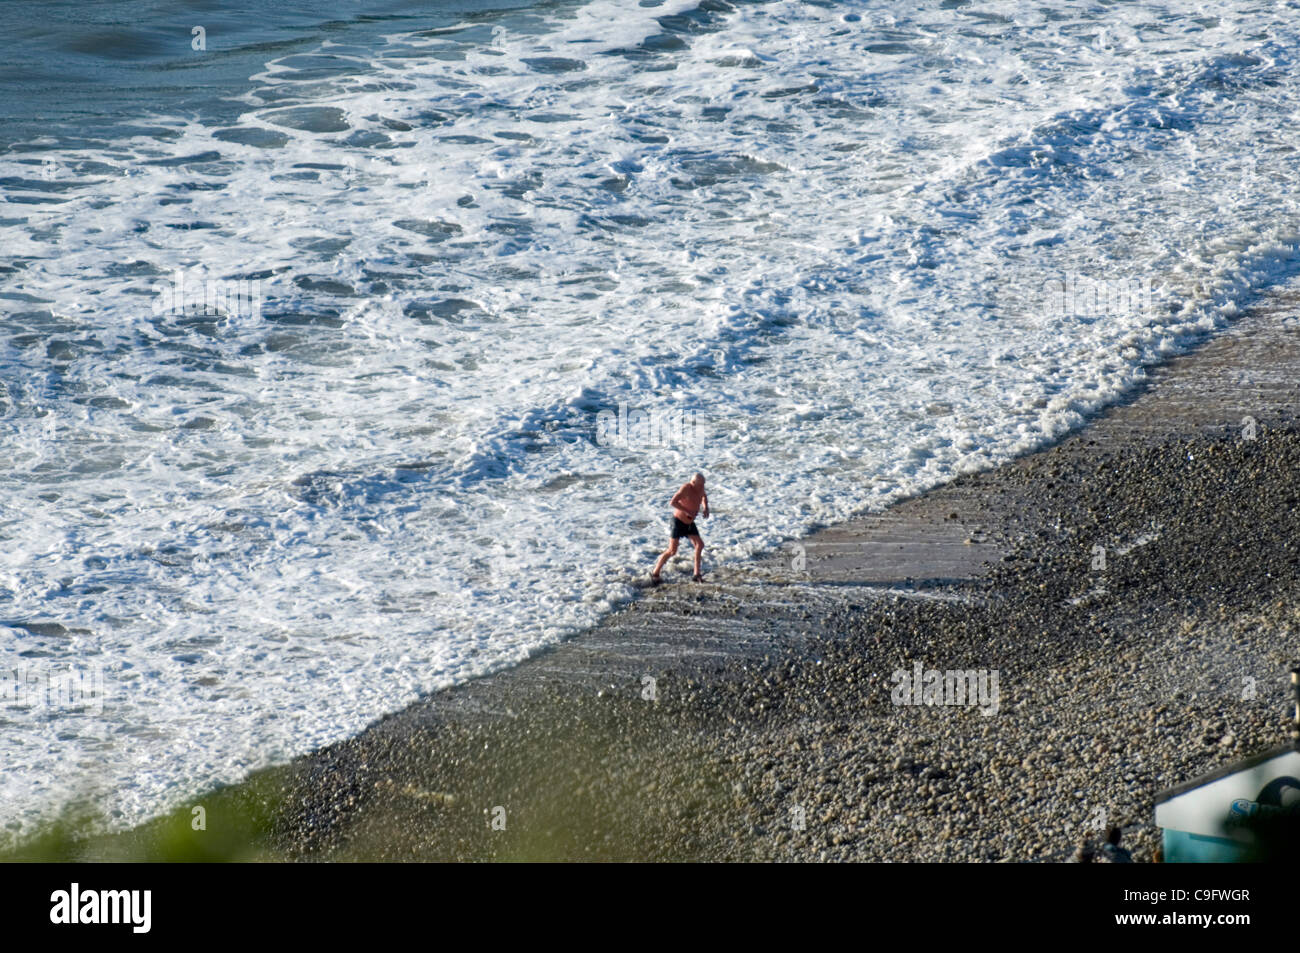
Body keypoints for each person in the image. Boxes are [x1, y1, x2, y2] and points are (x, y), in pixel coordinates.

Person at [651, 472, 709, 583]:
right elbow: (673, 502)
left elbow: (703, 497)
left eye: (703, 484)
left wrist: (706, 507)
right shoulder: (686, 488)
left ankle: (696, 574)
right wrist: (688, 511)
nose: (702, 487)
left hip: (689, 523)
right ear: (693, 482)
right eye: (700, 485)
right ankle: (655, 572)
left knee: (700, 545)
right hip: (678, 522)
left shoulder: (700, 488)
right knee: (672, 551)